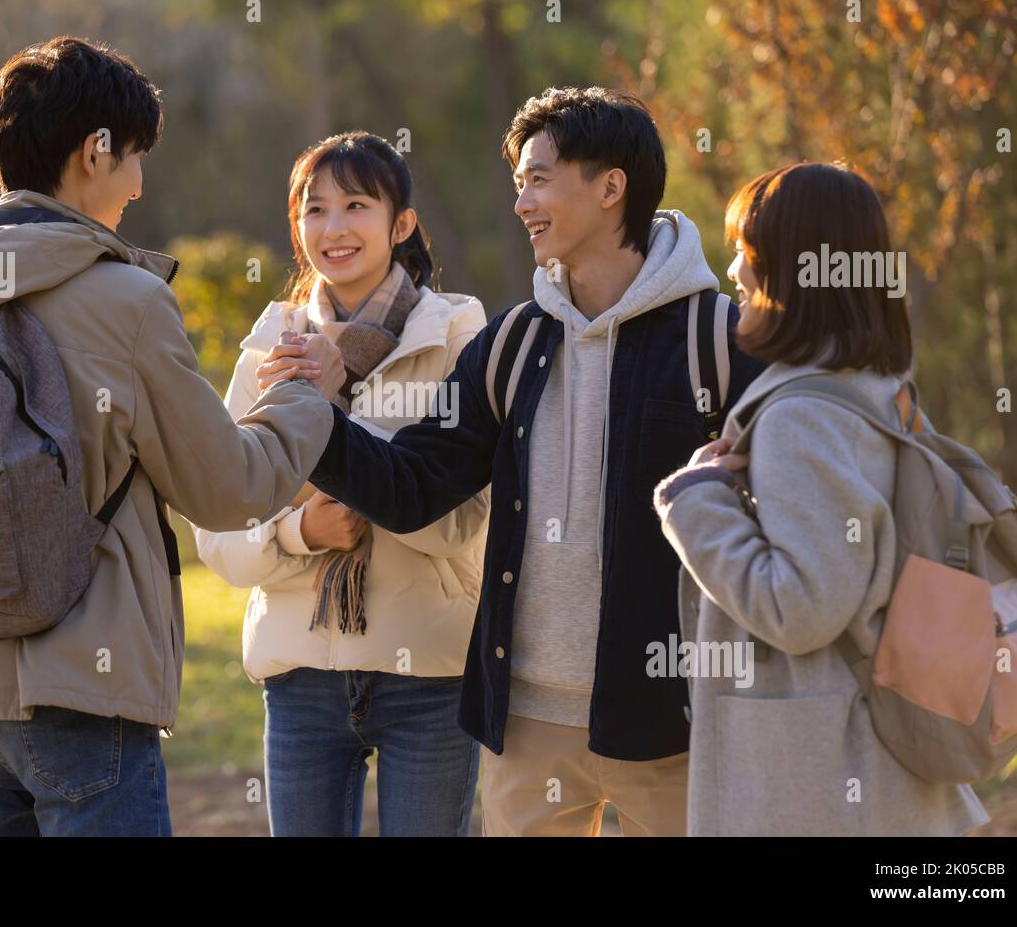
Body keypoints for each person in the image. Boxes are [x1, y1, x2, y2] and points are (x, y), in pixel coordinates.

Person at [0, 36, 340, 836]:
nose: (139, 185)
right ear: (93, 153)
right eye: (134, 158)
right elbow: (229, 489)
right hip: (84, 691)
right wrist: (305, 398)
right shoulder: (124, 301)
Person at [265, 87, 765, 835]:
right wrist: (317, 417)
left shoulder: (720, 341)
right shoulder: (512, 343)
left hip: (675, 718)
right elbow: (412, 487)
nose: (521, 203)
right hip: (525, 724)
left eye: (538, 179)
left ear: (609, 188)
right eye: (517, 184)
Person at [652, 161, 990, 835]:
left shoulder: (804, 417)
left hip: (817, 789)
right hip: (868, 777)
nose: (735, 274)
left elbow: (801, 606)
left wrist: (694, 500)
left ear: (796, 270)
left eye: (749, 254)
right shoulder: (876, 390)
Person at [194, 131, 489, 836]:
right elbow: (218, 521)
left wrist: (337, 422)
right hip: (302, 674)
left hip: (431, 672)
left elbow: (463, 518)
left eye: (356, 205)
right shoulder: (273, 347)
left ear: (402, 223)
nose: (333, 227)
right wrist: (300, 530)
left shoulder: (457, 335)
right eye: (314, 208)